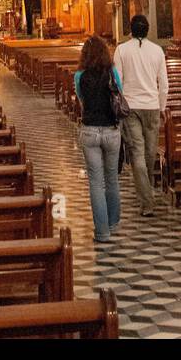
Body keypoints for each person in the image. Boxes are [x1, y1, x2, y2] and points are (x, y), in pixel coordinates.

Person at [113, 14, 168, 217]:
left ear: (131, 29)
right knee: (149, 154)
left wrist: (120, 103)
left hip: (131, 106)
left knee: (138, 153)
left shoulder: (121, 50)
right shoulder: (157, 51)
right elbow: (164, 83)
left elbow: (117, 81)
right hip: (152, 106)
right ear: (148, 29)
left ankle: (146, 199)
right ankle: (147, 198)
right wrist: (162, 107)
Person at [74, 35, 123, 242]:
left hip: (90, 130)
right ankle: (112, 222)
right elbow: (119, 94)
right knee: (112, 179)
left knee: (95, 182)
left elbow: (81, 99)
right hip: (111, 130)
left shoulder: (80, 75)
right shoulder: (112, 72)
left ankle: (102, 232)